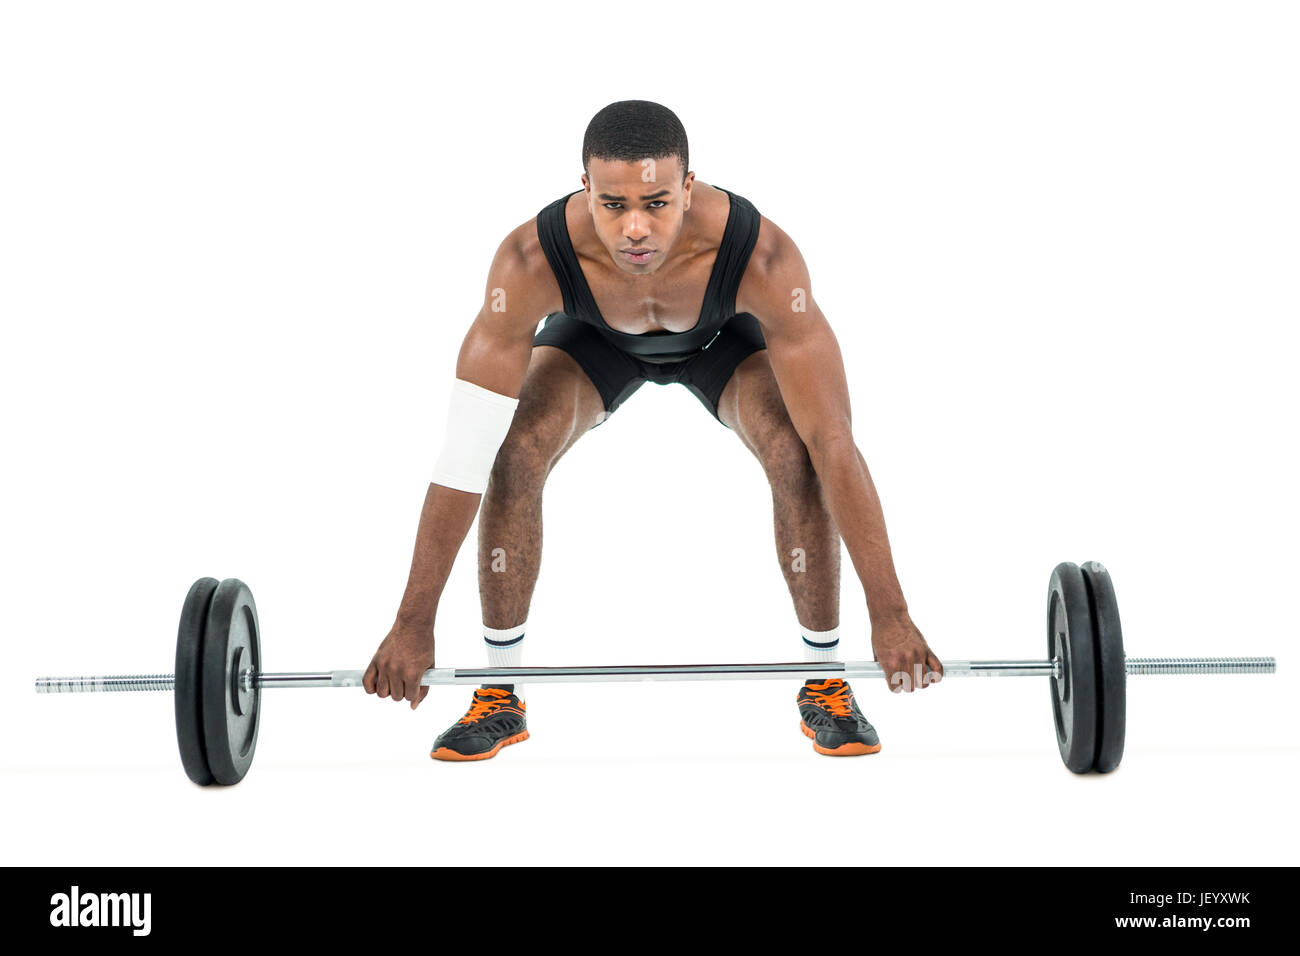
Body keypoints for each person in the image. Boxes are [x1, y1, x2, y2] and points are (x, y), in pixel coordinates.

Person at [363, 100, 943, 760]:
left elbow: (834, 441)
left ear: (689, 187)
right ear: (585, 189)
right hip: (596, 338)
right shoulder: (529, 262)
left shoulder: (764, 259)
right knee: (513, 450)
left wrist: (891, 614)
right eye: (613, 205)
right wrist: (413, 622)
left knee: (795, 450)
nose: (635, 227)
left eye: (658, 202)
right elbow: (465, 450)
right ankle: (499, 694)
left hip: (720, 338)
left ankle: (825, 684)